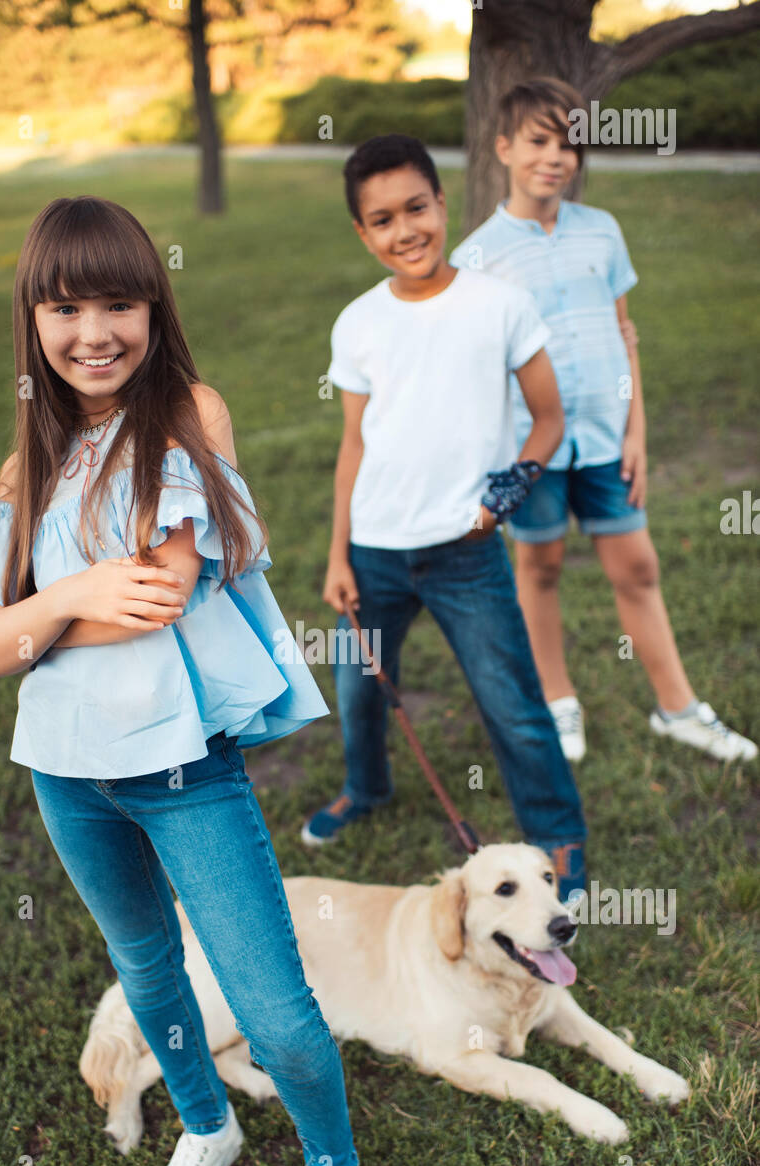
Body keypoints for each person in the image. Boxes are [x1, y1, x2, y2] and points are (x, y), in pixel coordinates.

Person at [0, 195, 395, 1166]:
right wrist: (76, 593)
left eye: (119, 302)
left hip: (186, 773)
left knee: (276, 1005)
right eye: (65, 306)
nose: (93, 331)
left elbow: (158, 598)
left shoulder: (187, 413)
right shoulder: (27, 461)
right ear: (32, 321)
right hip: (66, 774)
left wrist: (49, 607)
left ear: (155, 305)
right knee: (145, 969)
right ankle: (207, 1127)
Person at [302, 133, 589, 903]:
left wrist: (497, 507)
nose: (406, 231)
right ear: (363, 234)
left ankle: (557, 834)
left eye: (417, 209)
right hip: (373, 551)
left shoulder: (498, 305)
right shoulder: (357, 323)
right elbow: (352, 444)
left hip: (464, 554)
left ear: (441, 202)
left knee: (511, 701)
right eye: (383, 220)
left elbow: (548, 420)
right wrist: (338, 556)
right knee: (361, 690)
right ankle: (366, 790)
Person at [451, 77, 757, 765]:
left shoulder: (602, 231)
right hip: (533, 450)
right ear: (502, 146)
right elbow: (474, 371)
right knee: (541, 566)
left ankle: (678, 710)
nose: (554, 157)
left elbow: (625, 335)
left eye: (568, 144)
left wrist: (636, 432)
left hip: (605, 442)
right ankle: (558, 701)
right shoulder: (474, 259)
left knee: (637, 567)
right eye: (537, 141)